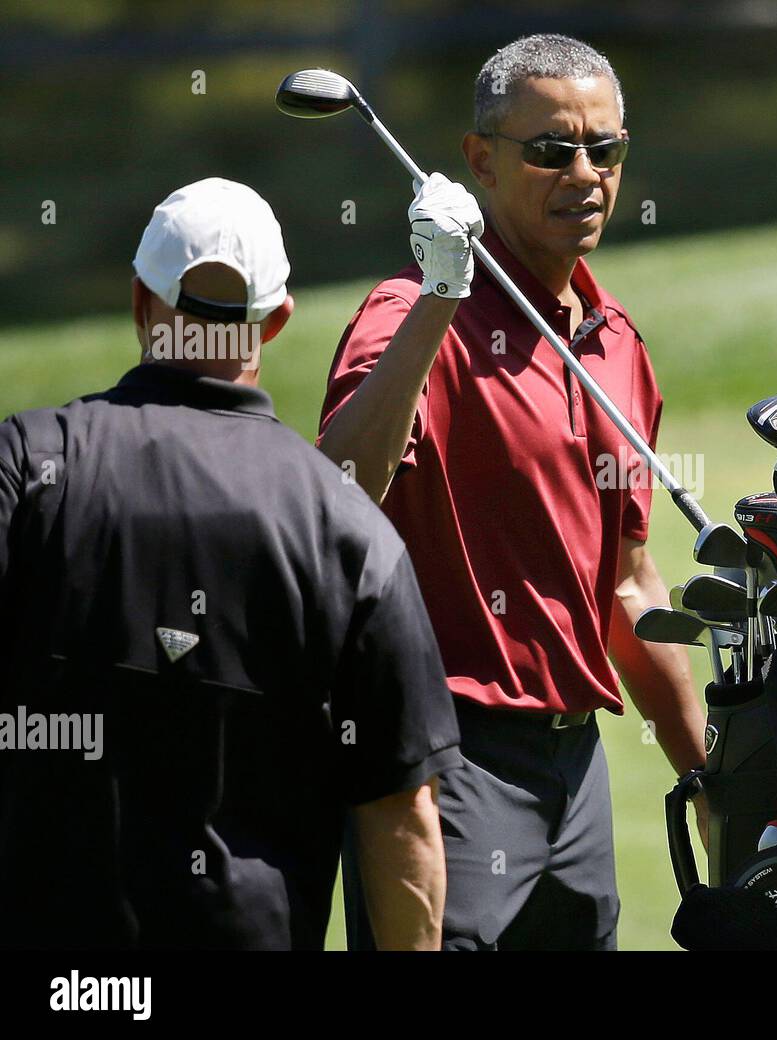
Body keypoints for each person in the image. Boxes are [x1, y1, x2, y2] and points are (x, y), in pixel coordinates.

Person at [0, 178, 459, 951]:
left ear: (142, 303)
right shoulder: (345, 521)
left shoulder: (31, 463)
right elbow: (401, 814)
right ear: (277, 322)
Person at [319, 34, 704, 951]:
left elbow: (625, 582)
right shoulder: (409, 313)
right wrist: (440, 298)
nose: (584, 173)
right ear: (480, 160)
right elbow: (335, 494)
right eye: (551, 151)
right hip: (447, 758)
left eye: (604, 150)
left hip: (576, 769)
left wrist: (704, 772)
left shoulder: (616, 343)